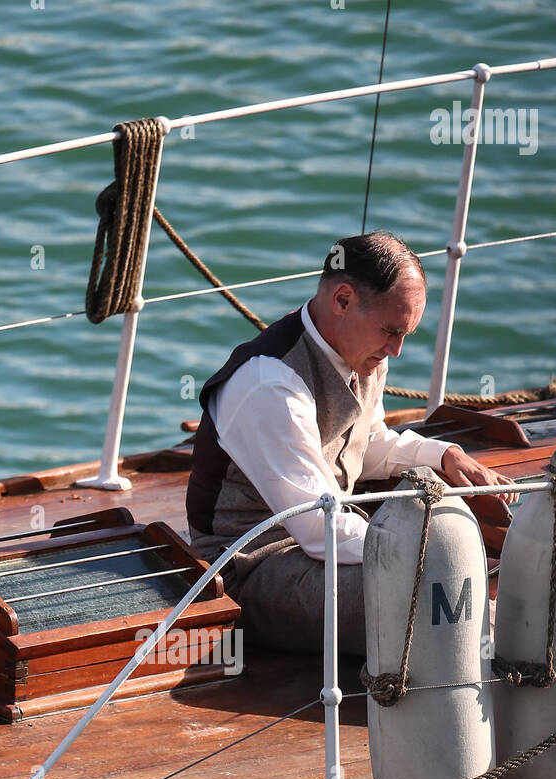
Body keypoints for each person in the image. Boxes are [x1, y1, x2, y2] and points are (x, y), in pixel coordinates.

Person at [186, 231, 515, 655]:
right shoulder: (270, 384)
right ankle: (503, 651)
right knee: (429, 596)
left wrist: (444, 456)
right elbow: (322, 527)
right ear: (342, 300)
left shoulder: (361, 351)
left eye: (406, 335)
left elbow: (366, 443)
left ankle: (501, 638)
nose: (396, 350)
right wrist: (436, 555)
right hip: (253, 568)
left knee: (451, 543)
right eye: (391, 331)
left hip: (321, 532)